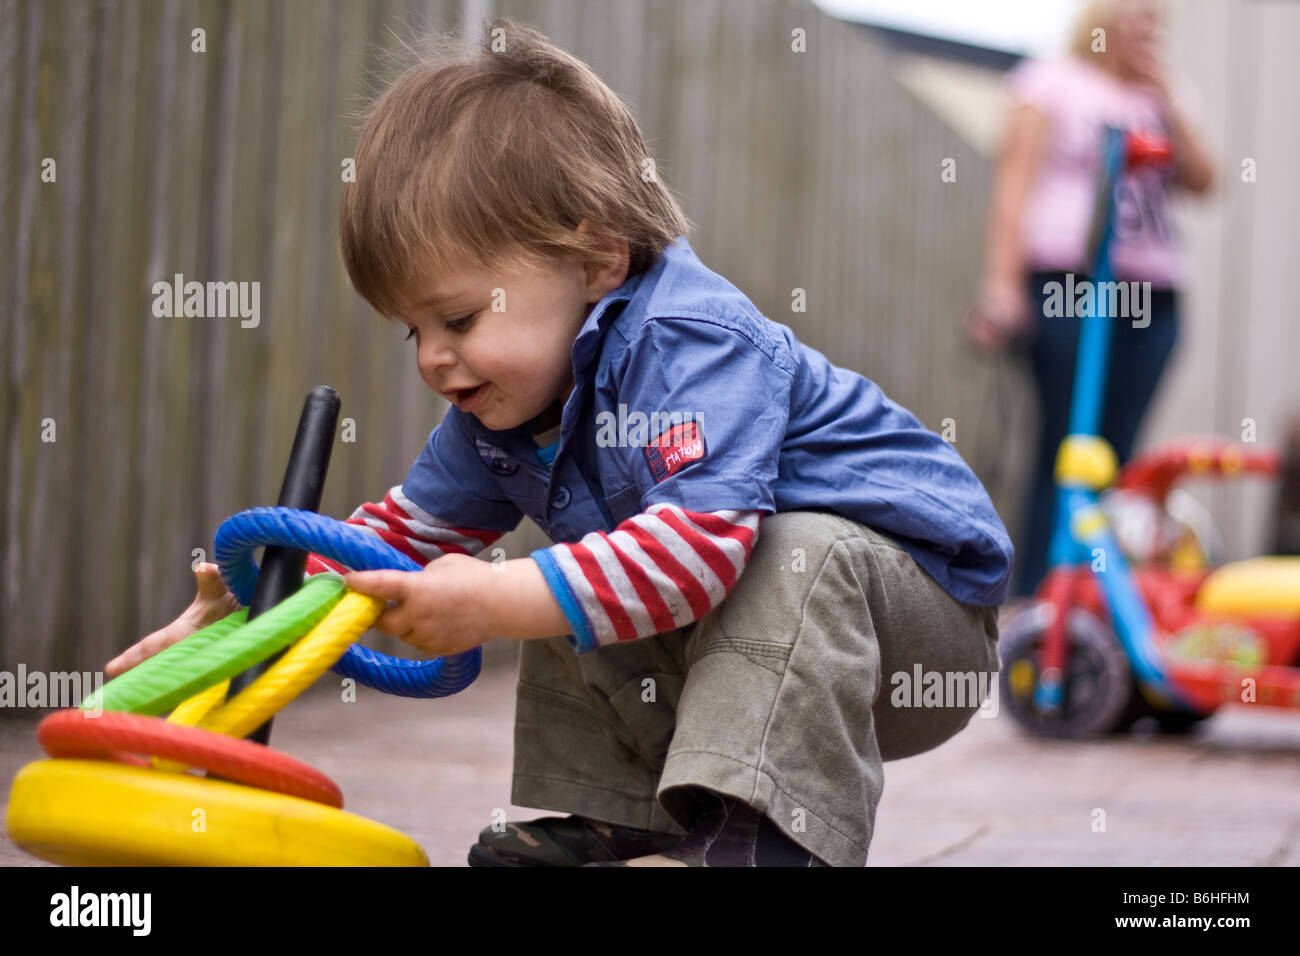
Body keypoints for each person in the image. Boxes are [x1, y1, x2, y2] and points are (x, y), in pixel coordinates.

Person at [107, 17, 1012, 868]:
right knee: (579, 564)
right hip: (770, 632)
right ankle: (623, 819)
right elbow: (385, 553)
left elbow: (699, 553)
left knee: (751, 554)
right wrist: (253, 615)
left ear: (598, 260)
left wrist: (498, 598)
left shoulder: (689, 344)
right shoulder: (497, 415)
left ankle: (763, 841)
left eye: (457, 317)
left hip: (915, 629)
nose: (433, 359)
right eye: (411, 331)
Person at [967, 0, 1215, 599]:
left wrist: (1167, 97)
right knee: (1069, 442)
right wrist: (1000, 284)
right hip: (1068, 287)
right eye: (1134, 15)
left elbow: (1206, 181)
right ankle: (1040, 595)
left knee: (1120, 453)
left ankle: (1096, 595)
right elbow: (1013, 186)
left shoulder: (1165, 96)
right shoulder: (1048, 83)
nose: (1145, 28)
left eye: (1155, 20)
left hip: (1152, 295)